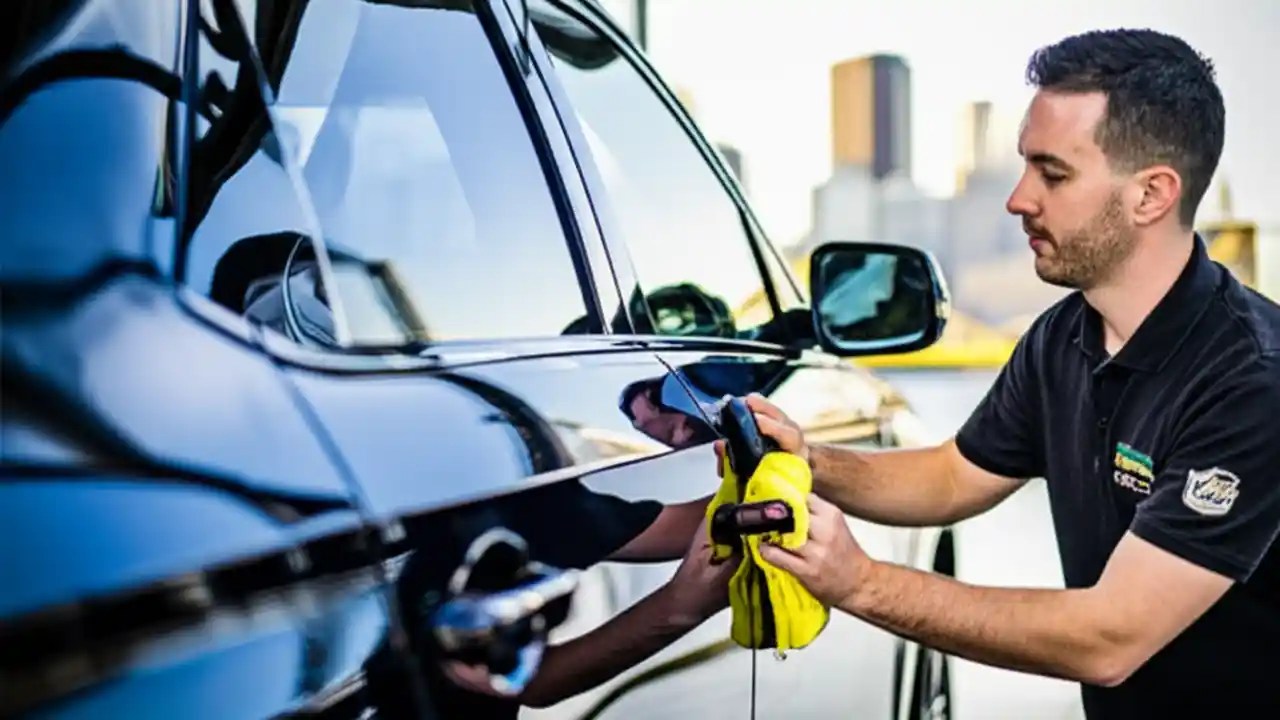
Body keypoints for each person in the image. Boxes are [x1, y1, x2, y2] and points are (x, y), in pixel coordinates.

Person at [719, 29, 1280, 719]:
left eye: (1053, 174)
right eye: (1024, 167)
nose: (1018, 199)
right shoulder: (1062, 337)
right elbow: (955, 476)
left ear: (1151, 195)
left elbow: (1111, 638)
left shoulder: (1252, 381)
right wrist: (810, 462)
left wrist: (860, 582)